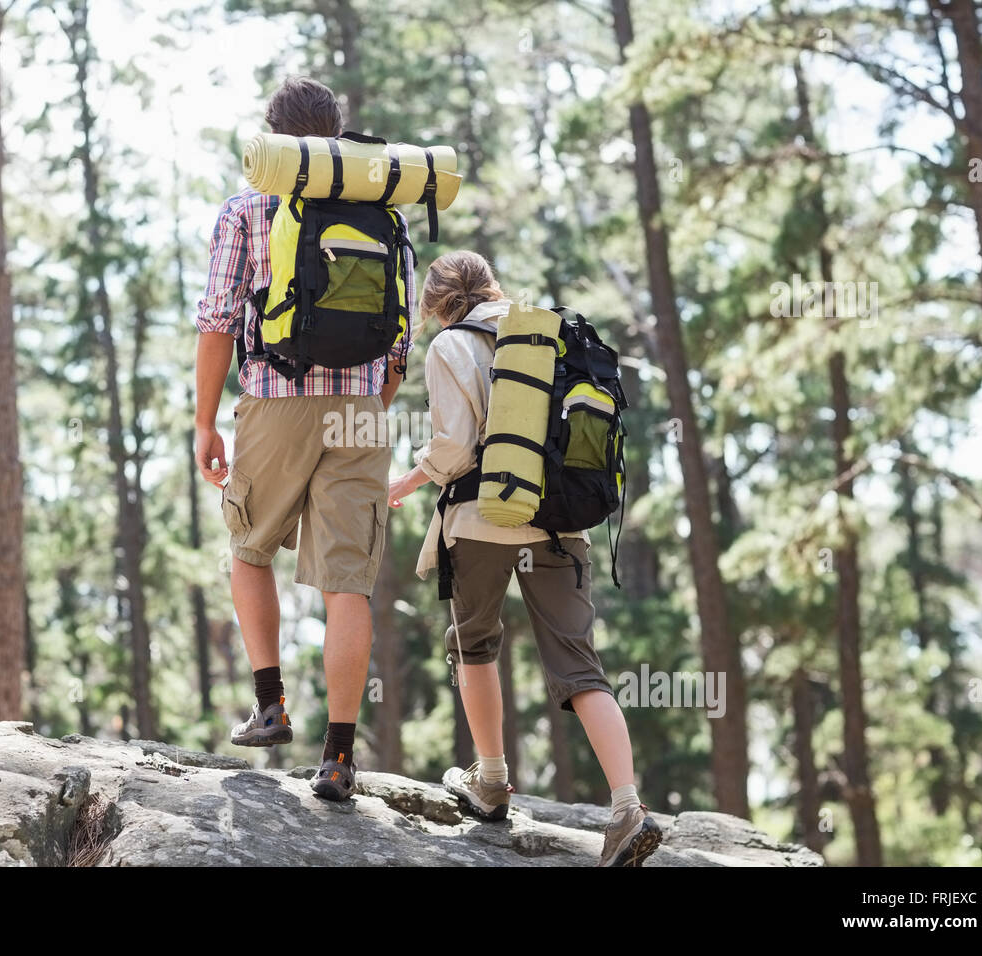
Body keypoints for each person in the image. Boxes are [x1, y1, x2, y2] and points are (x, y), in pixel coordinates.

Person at [387, 250, 661, 865]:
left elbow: (454, 450)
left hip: (482, 518)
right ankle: (626, 807)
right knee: (579, 665)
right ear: (489, 284)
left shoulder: (450, 347)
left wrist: (402, 484)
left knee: (474, 644)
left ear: (436, 302)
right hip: (560, 519)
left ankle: (490, 781)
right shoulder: (551, 331)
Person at [193, 76, 413, 801]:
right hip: (361, 406)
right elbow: (401, 338)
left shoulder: (250, 207)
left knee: (249, 547)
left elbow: (218, 321)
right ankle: (341, 758)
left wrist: (204, 423)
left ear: (273, 137)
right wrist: (370, 406)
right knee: (347, 583)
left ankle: (270, 705)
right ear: (336, 131)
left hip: (276, 401)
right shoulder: (383, 211)